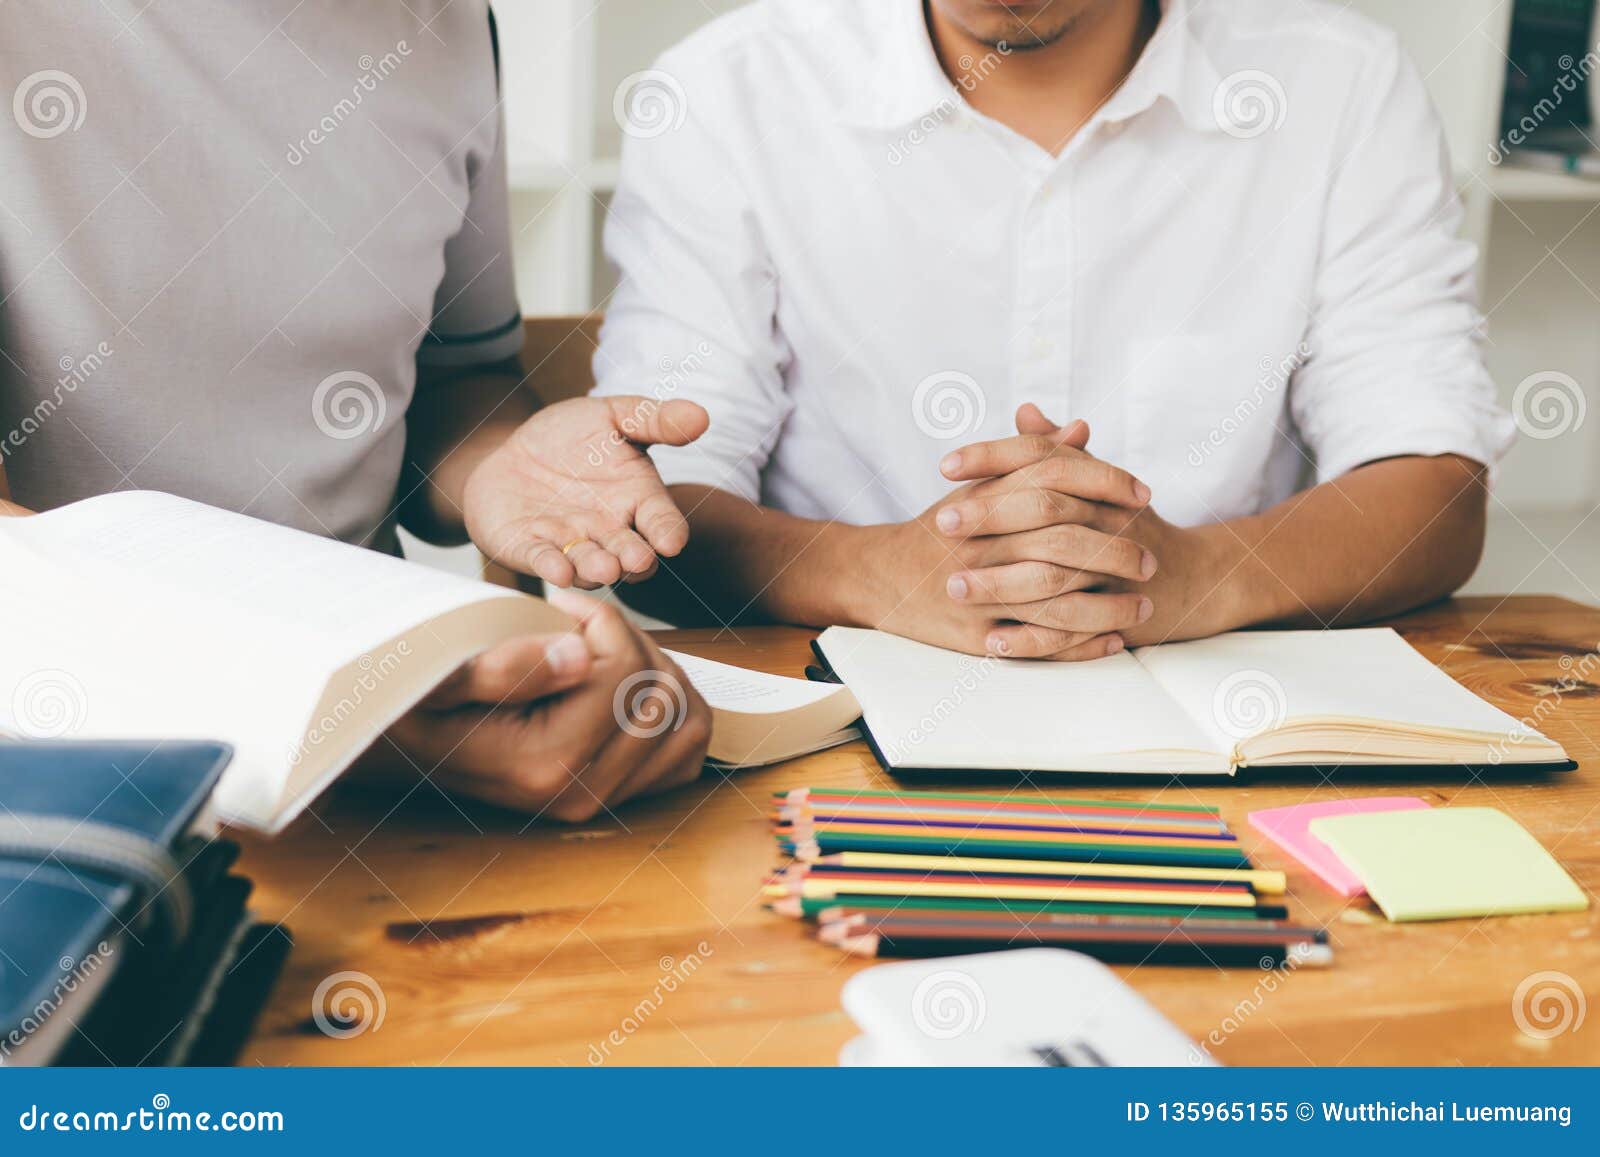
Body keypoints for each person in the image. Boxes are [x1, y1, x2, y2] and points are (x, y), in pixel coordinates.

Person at [592, 0, 1515, 660]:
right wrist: (875, 573)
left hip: (1220, 719)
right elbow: (655, 505)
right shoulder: (725, 92)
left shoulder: (1340, 80)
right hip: (834, 723)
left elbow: (1431, 487)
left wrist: (1194, 575)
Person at [0, 2, 711, 820]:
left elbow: (458, 377)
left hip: (398, 716)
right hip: (74, 771)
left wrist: (501, 463)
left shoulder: (448, 28)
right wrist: (322, 719)